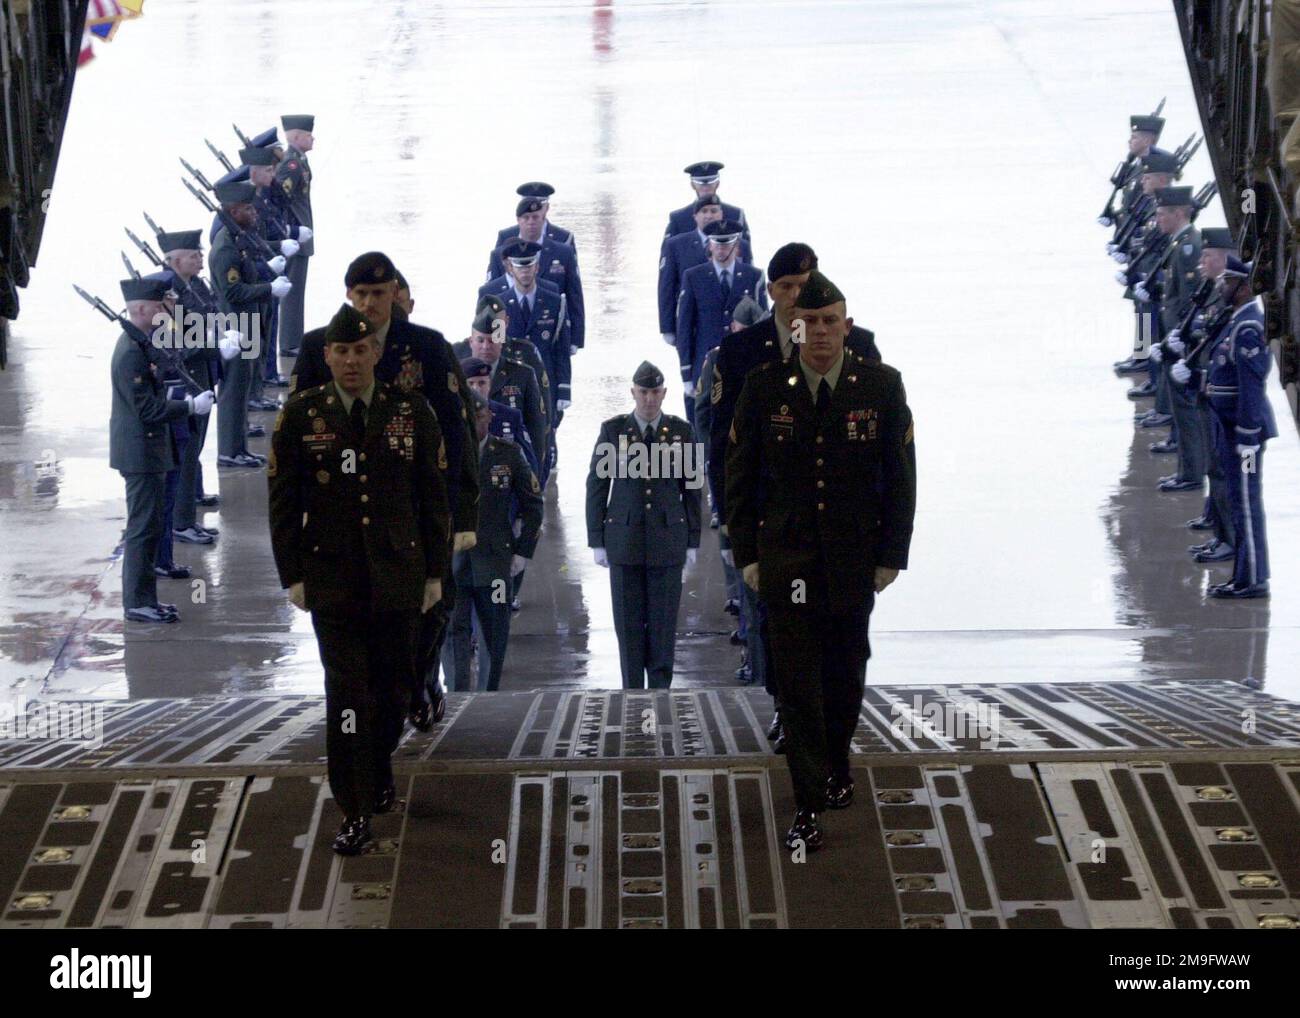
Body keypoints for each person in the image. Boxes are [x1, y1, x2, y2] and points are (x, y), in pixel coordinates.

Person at [726, 270, 915, 852]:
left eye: (834, 321)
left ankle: (836, 763)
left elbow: (901, 479)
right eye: (813, 322)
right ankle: (806, 801)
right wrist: (748, 557)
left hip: (853, 561)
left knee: (844, 675)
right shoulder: (764, 388)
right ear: (795, 327)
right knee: (799, 685)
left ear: (847, 328)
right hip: (788, 562)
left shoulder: (880, 387)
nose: (824, 332)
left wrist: (891, 556)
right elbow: (740, 479)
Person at [268, 304, 449, 855]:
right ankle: (353, 807)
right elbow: (282, 501)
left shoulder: (410, 411)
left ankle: (377, 768)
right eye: (341, 351)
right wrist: (292, 574)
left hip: (399, 578)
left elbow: (432, 499)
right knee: (347, 697)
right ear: (328, 356)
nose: (350, 360)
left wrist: (436, 572)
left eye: (360, 350)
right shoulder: (303, 416)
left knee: (394, 691)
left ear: (376, 353)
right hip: (335, 582)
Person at [290, 251, 478, 729]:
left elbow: (458, 434)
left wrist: (464, 515)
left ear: (396, 293)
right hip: (347, 514)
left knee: (434, 605)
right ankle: (384, 706)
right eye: (362, 294)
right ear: (349, 297)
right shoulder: (319, 349)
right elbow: (292, 440)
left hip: (418, 508)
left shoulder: (428, 348)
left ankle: (418, 682)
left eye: (379, 293)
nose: (371, 303)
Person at [708, 243, 881, 749]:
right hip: (773, 519)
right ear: (771, 292)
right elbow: (725, 444)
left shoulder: (862, 347)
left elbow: (883, 444)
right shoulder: (741, 354)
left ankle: (832, 714)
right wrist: (728, 520)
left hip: (842, 520)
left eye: (804, 287)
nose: (795, 297)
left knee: (844, 628)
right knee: (778, 625)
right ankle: (789, 707)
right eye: (786, 288)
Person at [586, 361, 702, 688]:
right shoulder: (614, 431)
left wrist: (693, 539)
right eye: (643, 392)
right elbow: (597, 485)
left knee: (663, 627)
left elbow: (692, 488)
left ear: (664, 393)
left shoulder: (682, 432)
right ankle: (633, 693)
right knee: (629, 627)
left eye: (655, 392)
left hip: (668, 541)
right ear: (633, 393)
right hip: (624, 541)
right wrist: (597, 539)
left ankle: (661, 694)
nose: (649, 399)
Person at [110, 277, 215, 623]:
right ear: (139, 310)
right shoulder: (130, 353)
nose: (162, 312)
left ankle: (146, 599)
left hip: (150, 449)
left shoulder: (141, 346)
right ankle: (138, 602)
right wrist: (188, 408)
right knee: (142, 528)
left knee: (153, 524)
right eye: (156, 307)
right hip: (140, 453)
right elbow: (146, 410)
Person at [1174, 258, 1275, 599]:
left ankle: (1254, 579)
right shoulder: (1235, 322)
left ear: (1244, 287)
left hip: (1243, 435)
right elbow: (1225, 379)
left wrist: (1247, 436)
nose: (1220, 285)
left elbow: (1251, 387)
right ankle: (1243, 576)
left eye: (1228, 281)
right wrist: (1196, 380)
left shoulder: (1247, 327)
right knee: (1238, 500)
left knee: (1246, 504)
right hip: (1229, 429)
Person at [444, 390, 544, 692]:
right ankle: (458, 696)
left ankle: (488, 698)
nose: (475, 421)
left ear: (489, 415)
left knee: (494, 632)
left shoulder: (508, 453)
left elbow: (533, 505)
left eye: (480, 414)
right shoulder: (444, 454)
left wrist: (523, 551)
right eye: (469, 415)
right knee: (453, 633)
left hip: (495, 562)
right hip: (453, 562)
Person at [155, 229, 233, 546]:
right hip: (185, 379)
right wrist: (215, 345)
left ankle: (190, 503)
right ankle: (182, 521)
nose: (200, 259)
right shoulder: (167, 293)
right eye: (193, 255)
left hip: (202, 373)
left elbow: (208, 318)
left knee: (195, 446)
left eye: (199, 254)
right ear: (173, 261)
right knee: (186, 452)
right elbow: (172, 343)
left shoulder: (194, 284)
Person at [210, 179, 292, 468]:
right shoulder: (225, 248)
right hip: (237, 321)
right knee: (234, 390)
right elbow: (232, 291)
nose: (254, 212)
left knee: (244, 384)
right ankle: (229, 451)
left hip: (248, 318)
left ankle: (239, 446)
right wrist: (268, 289)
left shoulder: (238, 238)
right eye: (248, 208)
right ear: (234, 212)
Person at [674, 219, 766, 427]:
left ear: (737, 245)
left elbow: (763, 325)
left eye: (727, 243)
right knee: (703, 425)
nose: (721, 249)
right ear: (710, 245)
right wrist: (687, 373)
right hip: (705, 364)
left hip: (744, 364)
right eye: (717, 243)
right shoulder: (693, 277)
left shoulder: (754, 277)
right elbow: (685, 328)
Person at [485, 196, 585, 352]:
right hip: (510, 340)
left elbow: (574, 296)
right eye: (526, 217)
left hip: (546, 334)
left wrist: (575, 339)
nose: (531, 222)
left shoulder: (562, 251)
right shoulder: (500, 250)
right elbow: (492, 294)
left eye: (535, 217)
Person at [657, 194, 753, 345]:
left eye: (714, 211)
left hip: (734, 327)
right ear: (695, 216)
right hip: (694, 325)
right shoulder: (676, 245)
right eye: (704, 211)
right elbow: (666, 286)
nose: (709, 216)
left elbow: (750, 283)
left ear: (721, 214)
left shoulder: (741, 246)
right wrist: (667, 327)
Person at [274, 114, 316, 357]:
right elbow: (281, 199)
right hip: (295, 236)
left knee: (296, 291)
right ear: (297, 136)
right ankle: (289, 343)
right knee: (291, 291)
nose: (313, 139)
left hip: (301, 235)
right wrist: (290, 232)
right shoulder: (292, 164)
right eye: (309, 135)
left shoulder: (299, 161)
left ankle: (293, 339)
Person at [664, 161, 750, 244]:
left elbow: (745, 252)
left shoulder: (735, 215)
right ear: (692, 185)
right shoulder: (679, 218)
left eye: (711, 183)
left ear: (717, 184)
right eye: (700, 183)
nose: (706, 188)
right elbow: (668, 254)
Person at [491, 181, 576, 251]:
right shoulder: (506, 236)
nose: (534, 209)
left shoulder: (564, 238)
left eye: (540, 205)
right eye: (528, 205)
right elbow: (497, 267)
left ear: (547, 207)